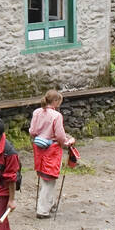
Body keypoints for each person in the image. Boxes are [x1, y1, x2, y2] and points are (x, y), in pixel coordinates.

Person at [30, 90, 74, 219]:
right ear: (55, 101)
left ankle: (50, 203)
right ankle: (42, 210)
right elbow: (60, 135)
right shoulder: (56, 115)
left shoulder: (37, 112)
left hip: (39, 147)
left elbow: (32, 131)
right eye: (59, 101)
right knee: (49, 179)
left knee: (44, 177)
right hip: (52, 149)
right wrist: (66, 142)